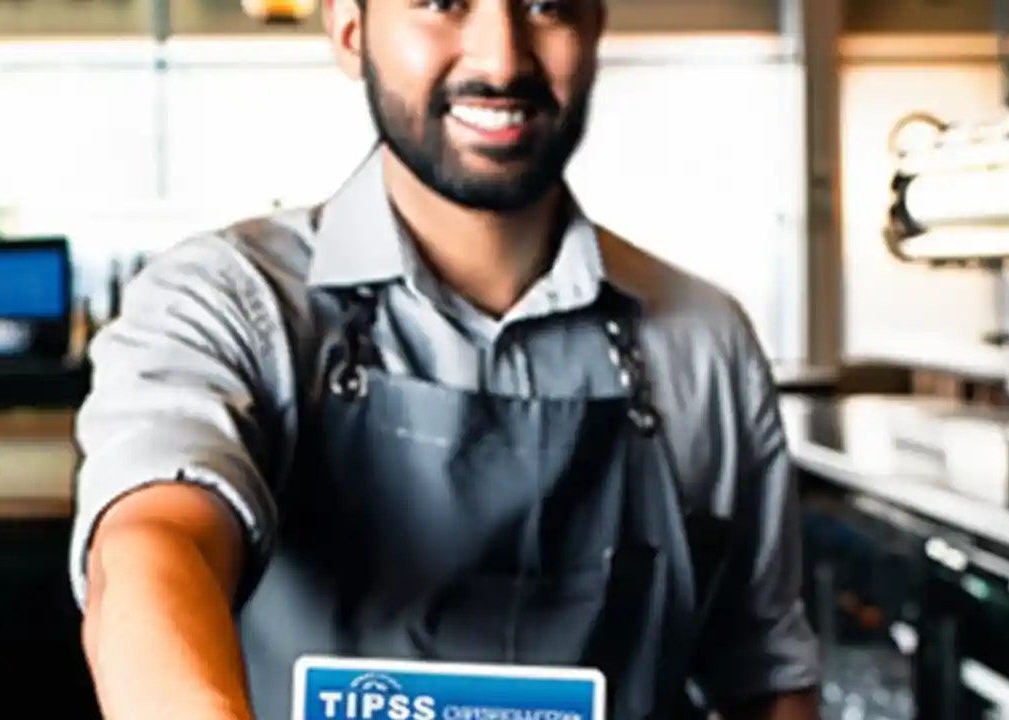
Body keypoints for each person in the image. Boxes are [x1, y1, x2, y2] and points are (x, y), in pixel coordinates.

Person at [68, 0, 822, 718]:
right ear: (350, 29)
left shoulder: (702, 340)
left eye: (546, 4)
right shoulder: (229, 302)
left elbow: (764, 673)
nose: (501, 59)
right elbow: (150, 551)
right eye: (441, 1)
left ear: (596, 29)